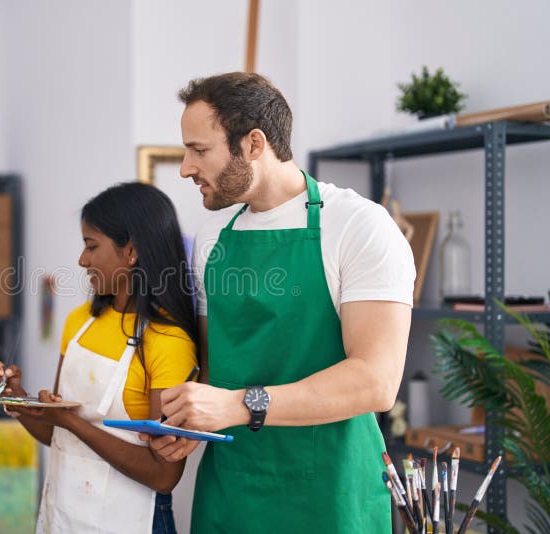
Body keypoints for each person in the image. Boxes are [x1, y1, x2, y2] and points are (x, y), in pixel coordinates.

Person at [141, 72, 415, 532]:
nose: (186, 168)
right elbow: (217, 369)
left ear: (253, 144)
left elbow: (375, 381)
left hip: (330, 494)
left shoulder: (357, 226)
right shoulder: (213, 237)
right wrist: (187, 423)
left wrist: (238, 406)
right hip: (233, 490)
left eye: (199, 150)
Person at [0, 182, 198, 534]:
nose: (82, 260)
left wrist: (74, 423)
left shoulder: (169, 341)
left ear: (131, 252)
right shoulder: (79, 321)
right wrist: (13, 396)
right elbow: (56, 434)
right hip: (65, 516)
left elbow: (164, 474)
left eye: (91, 246)